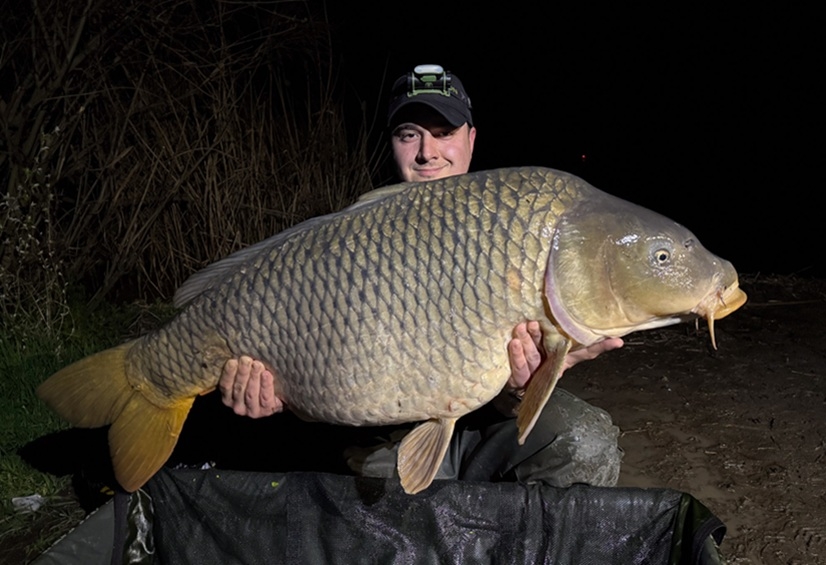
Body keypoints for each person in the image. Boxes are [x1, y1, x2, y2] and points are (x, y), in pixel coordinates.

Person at [218, 64, 624, 487]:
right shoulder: (348, 243)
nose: (427, 151)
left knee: (584, 443)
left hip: (486, 418)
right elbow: (322, 376)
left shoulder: (512, 228)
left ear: (471, 139)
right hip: (387, 426)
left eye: (445, 132)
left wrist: (530, 381)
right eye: (409, 134)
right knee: (382, 493)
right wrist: (275, 393)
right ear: (392, 144)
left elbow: (494, 373)